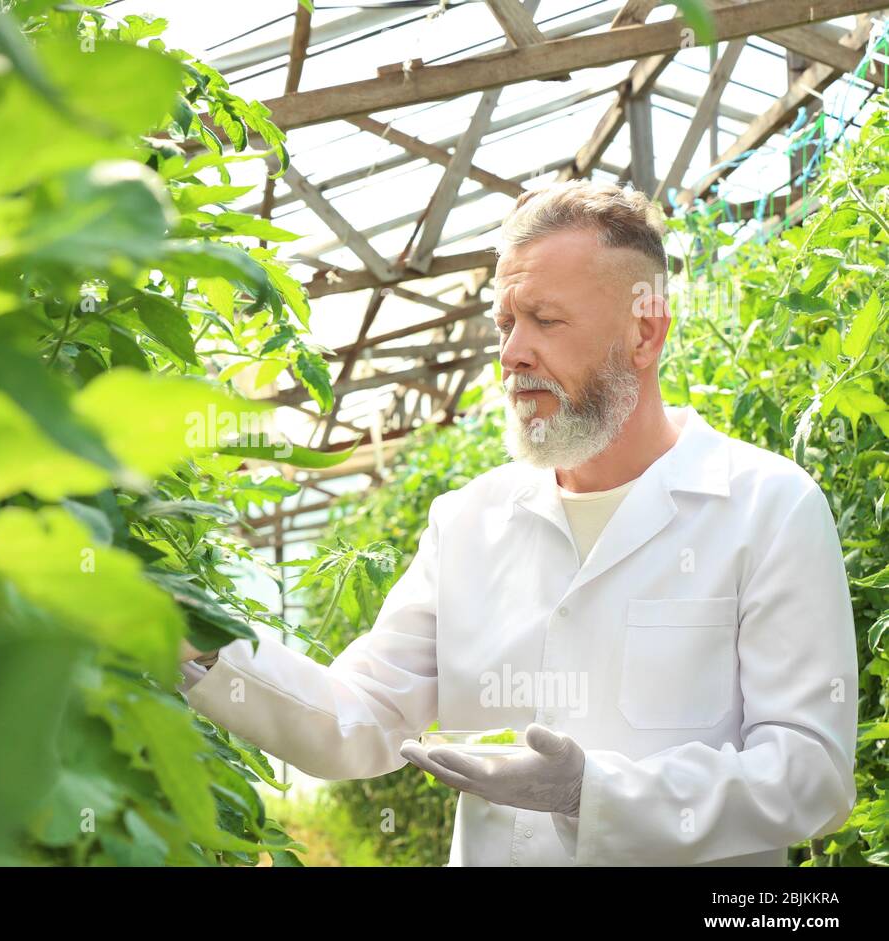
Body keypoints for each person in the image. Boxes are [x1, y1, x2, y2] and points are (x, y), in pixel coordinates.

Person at [178, 179, 858, 866]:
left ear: (644, 331)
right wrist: (200, 645)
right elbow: (360, 717)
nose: (511, 354)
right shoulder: (469, 522)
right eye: (505, 325)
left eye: (546, 321)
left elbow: (810, 775)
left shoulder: (766, 508)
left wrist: (592, 794)